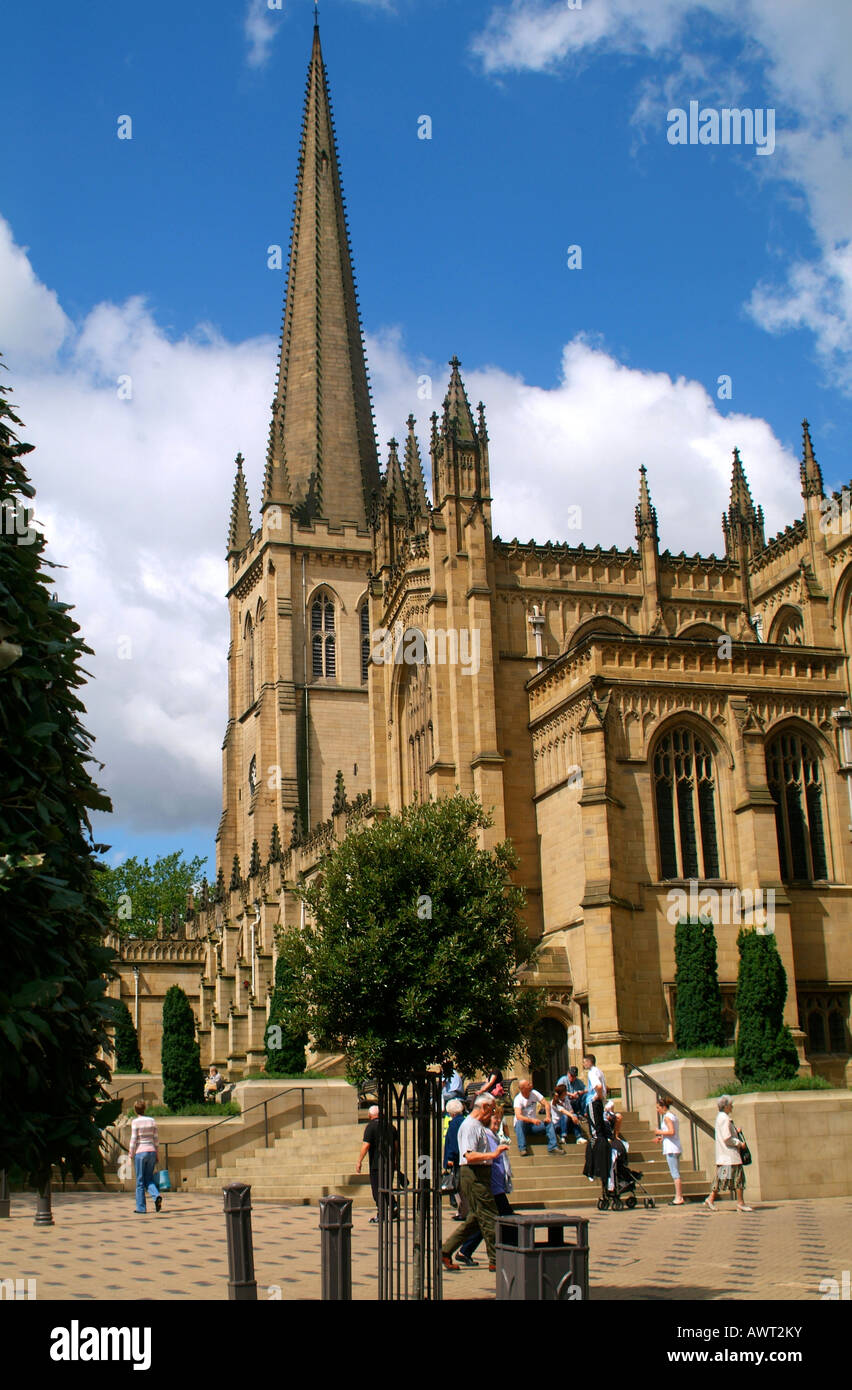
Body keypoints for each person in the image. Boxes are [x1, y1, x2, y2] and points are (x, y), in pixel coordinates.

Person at [441, 1094, 508, 1272]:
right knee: (490, 1216)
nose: (493, 1113)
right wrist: (493, 1155)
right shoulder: (470, 1126)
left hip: (481, 1174)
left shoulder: (477, 1126)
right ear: (484, 1107)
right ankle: (496, 1259)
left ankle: (446, 1251)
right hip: (474, 1174)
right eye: (491, 1109)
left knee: (476, 1219)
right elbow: (469, 1155)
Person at [457, 1106, 514, 1266]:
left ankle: (463, 1250)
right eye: (494, 1120)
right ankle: (508, 1255)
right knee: (506, 1220)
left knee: (483, 1220)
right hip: (491, 1186)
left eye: (499, 1121)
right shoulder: (486, 1136)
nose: (497, 1124)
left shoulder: (493, 1136)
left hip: (496, 1186)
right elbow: (482, 1159)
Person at [704, 1096, 753, 1213]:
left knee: (722, 1178)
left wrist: (736, 1132)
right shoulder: (725, 1119)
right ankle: (740, 1203)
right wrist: (740, 1143)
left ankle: (711, 1199)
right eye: (730, 1105)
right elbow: (727, 1138)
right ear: (725, 1106)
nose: (732, 1107)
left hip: (725, 1156)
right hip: (730, 1156)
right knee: (738, 1179)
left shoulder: (721, 1118)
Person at [356, 1104, 400, 1223]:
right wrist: (395, 1160)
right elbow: (396, 1146)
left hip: (376, 1164)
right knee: (387, 1187)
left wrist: (359, 1161)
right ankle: (393, 1205)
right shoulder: (391, 1127)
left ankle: (382, 1213)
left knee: (377, 1190)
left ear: (370, 1115)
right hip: (389, 1163)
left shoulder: (370, 1127)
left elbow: (366, 1145)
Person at [128, 1099, 162, 1214]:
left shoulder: (135, 1122)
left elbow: (133, 1139)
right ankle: (156, 1195)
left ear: (135, 1110)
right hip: (151, 1151)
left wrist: (130, 1154)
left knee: (140, 1181)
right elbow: (156, 1140)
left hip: (140, 1152)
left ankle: (141, 1207)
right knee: (149, 1178)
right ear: (144, 1109)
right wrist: (157, 1154)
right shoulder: (152, 1121)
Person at [513, 1079, 561, 1155]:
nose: (531, 1085)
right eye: (528, 1084)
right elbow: (518, 1116)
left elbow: (546, 1104)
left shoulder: (534, 1093)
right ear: (523, 1089)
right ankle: (522, 1148)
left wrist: (548, 1116)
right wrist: (532, 1120)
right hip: (523, 1126)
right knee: (519, 1122)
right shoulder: (518, 1099)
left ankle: (553, 1147)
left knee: (549, 1123)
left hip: (533, 1125)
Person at [654, 1094, 683, 1206]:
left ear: (663, 1107)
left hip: (671, 1149)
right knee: (675, 1172)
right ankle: (679, 1196)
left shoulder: (667, 1117)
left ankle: (679, 1197)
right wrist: (661, 1138)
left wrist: (659, 1132)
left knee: (675, 1173)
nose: (658, 1110)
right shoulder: (672, 1116)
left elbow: (671, 1132)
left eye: (658, 1108)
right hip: (674, 1146)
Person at [442, 1098, 468, 1219]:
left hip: (457, 1159)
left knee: (458, 1186)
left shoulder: (454, 1124)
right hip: (463, 1158)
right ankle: (463, 1210)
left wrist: (449, 1158)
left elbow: (453, 1143)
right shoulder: (464, 1121)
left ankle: (463, 1211)